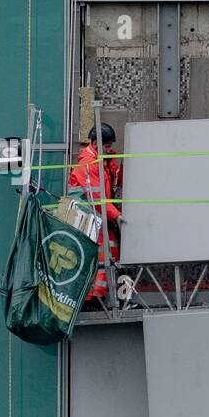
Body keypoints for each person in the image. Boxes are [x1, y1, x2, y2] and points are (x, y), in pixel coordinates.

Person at [69, 122, 123, 301]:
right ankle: (92, 299)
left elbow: (115, 180)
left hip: (100, 217)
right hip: (90, 217)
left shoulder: (102, 161)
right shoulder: (88, 164)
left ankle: (103, 298)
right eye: (107, 146)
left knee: (110, 255)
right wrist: (117, 216)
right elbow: (97, 198)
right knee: (101, 257)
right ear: (95, 144)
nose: (109, 150)